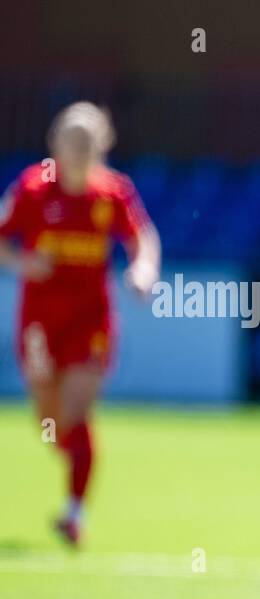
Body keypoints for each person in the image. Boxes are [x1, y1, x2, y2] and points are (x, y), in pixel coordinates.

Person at [0, 102, 160, 545]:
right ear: (54, 143)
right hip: (38, 325)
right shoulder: (34, 189)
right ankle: (78, 464)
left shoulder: (112, 193)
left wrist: (143, 269)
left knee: (76, 409)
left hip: (90, 321)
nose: (79, 149)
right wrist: (23, 261)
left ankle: (74, 512)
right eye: (71, 140)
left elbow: (141, 235)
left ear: (102, 145)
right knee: (50, 425)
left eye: (88, 141)